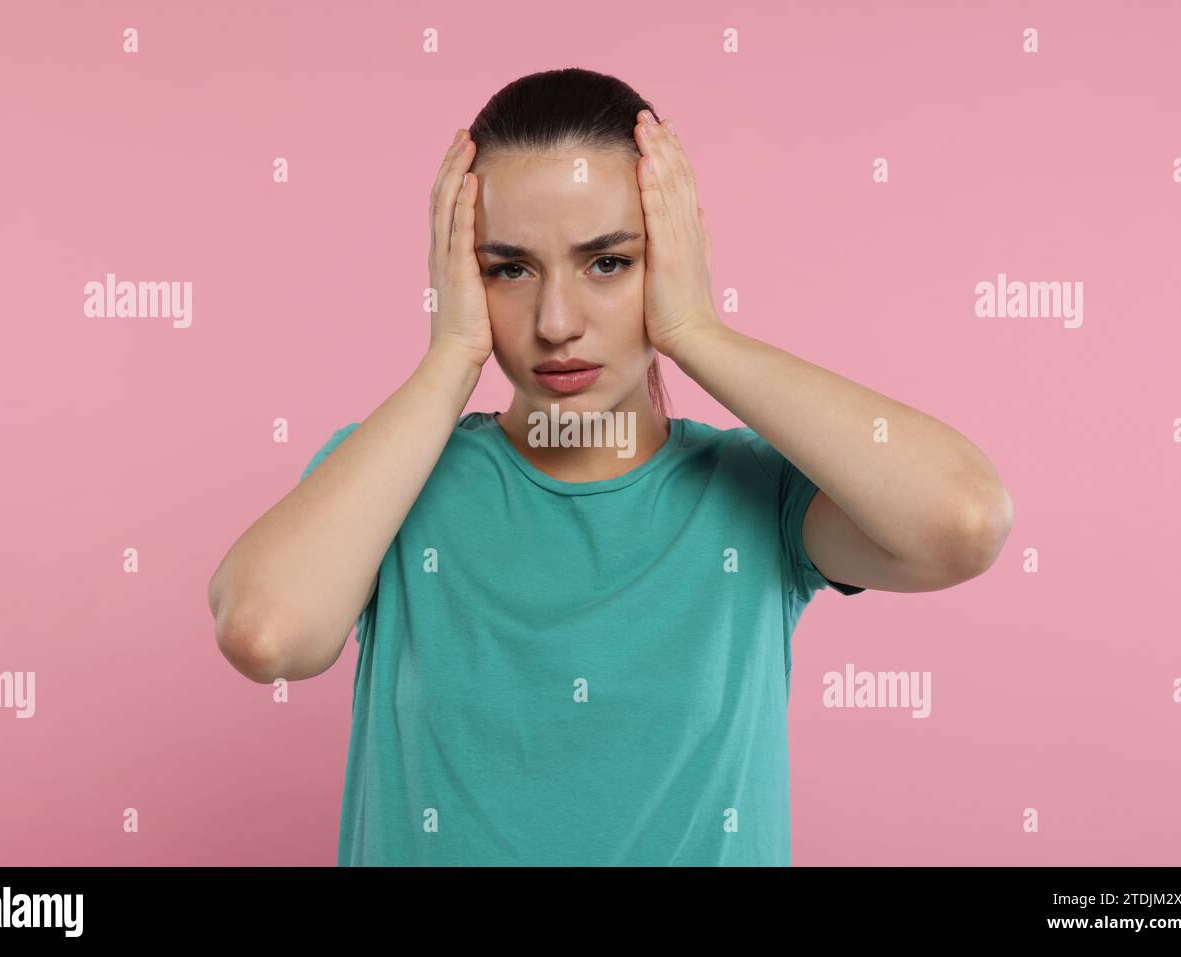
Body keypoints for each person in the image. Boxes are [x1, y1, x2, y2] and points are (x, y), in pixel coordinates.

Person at [207, 67, 1013, 866]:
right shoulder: (391, 477)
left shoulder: (760, 495)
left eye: (608, 262)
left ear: (671, 256)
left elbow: (964, 521)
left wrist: (698, 328)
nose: (557, 323)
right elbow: (266, 633)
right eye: (509, 268)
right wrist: (450, 356)